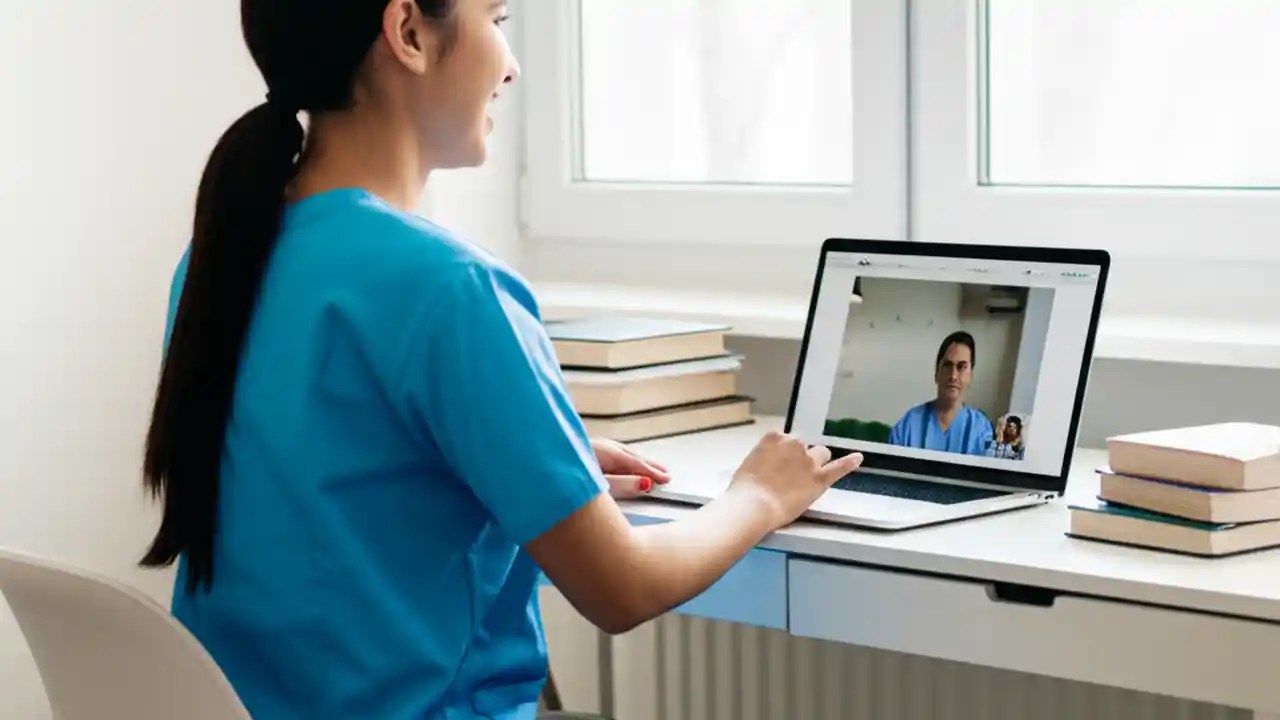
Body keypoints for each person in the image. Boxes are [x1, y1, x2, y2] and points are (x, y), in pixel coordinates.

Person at [138, 2, 864, 718]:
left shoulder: (216, 265)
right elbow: (624, 588)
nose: (510, 67)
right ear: (409, 33)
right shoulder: (450, 288)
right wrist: (760, 497)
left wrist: (535, 462)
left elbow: (338, 485)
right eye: (498, 22)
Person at [888, 331, 994, 456]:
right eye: (947, 366)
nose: (953, 376)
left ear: (970, 375)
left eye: (961, 367)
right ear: (936, 373)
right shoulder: (909, 424)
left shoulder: (981, 429)